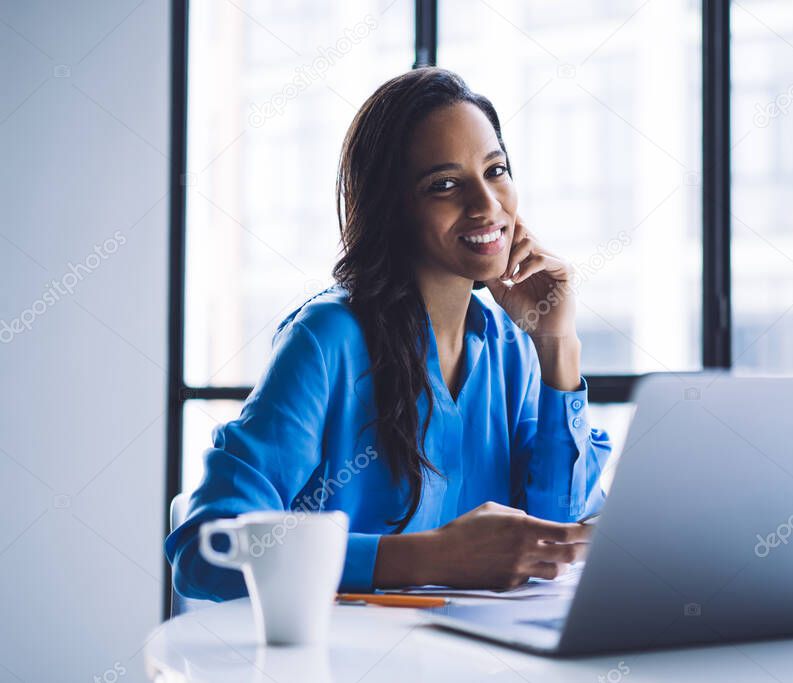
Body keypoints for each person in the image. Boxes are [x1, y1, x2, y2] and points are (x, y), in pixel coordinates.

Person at [165, 68, 611, 600]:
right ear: (391, 206)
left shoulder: (511, 348)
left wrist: (557, 346)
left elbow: (551, 536)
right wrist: (430, 557)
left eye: (496, 170)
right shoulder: (327, 340)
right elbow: (204, 550)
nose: (486, 204)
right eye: (444, 184)